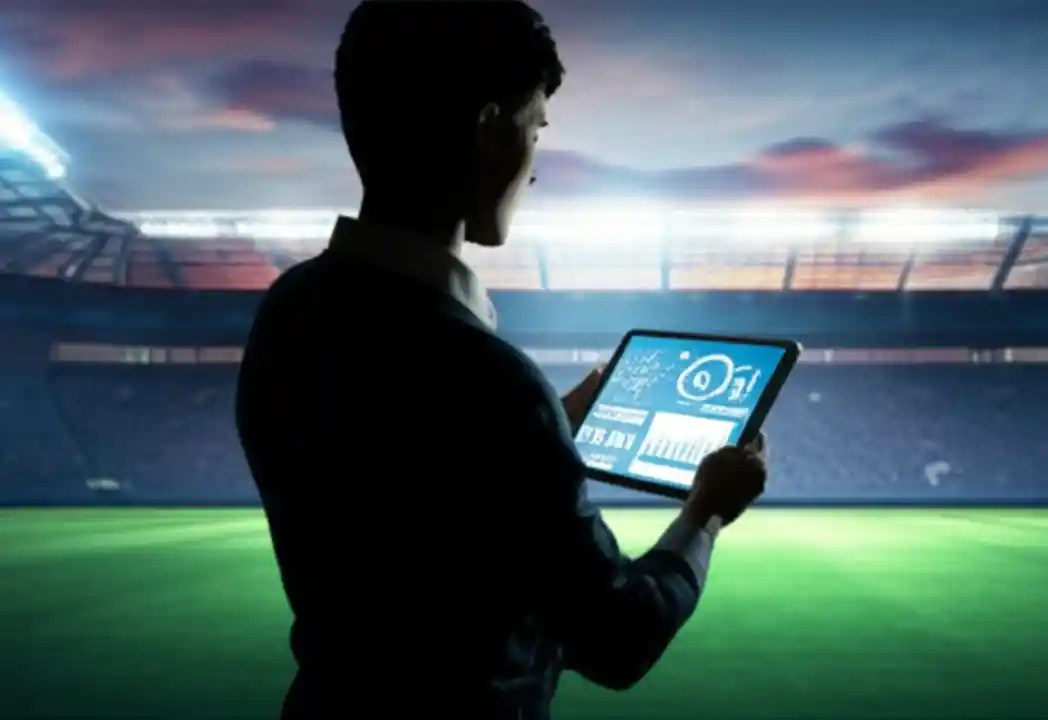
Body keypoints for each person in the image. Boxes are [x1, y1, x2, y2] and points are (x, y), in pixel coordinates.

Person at [234, 2, 768, 717]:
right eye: (535, 128)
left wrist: (550, 430)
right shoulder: (488, 381)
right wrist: (706, 511)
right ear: (489, 129)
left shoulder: (289, 309)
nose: (534, 167)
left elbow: (424, 492)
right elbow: (618, 639)